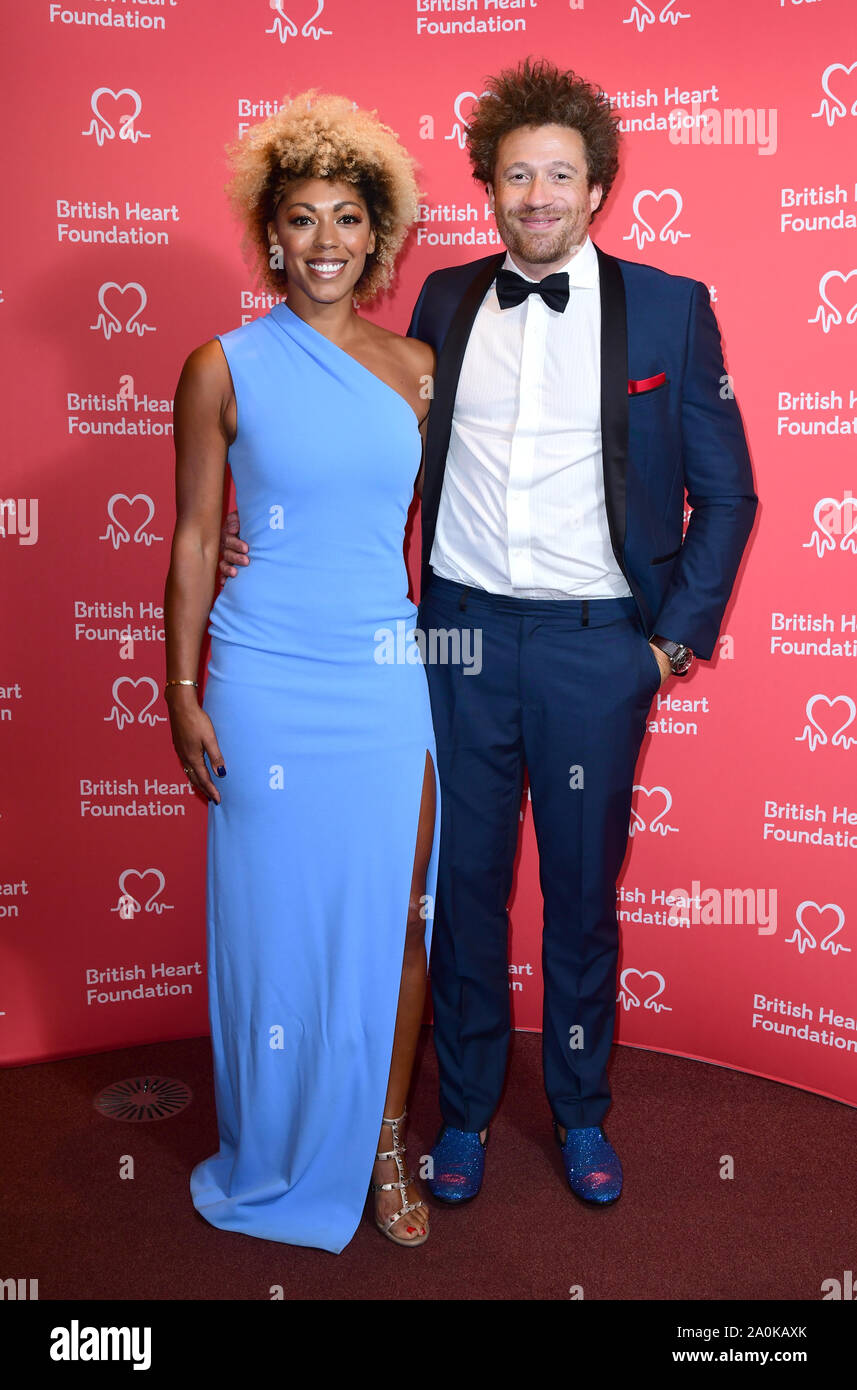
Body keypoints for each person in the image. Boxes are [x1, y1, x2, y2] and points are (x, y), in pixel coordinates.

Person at [219, 58, 757, 1210]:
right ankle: (457, 1111)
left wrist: (664, 646)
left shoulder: (669, 305)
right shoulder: (444, 303)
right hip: (453, 636)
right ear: (488, 185)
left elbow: (726, 493)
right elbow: (359, 456)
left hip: (592, 643)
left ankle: (576, 1111)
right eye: (516, 174)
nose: (537, 194)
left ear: (597, 186)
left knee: (578, 893)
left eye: (559, 173)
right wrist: (251, 532)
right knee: (456, 892)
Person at [164, 90, 440, 1253]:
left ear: (376, 235)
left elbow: (461, 525)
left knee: (394, 921)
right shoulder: (219, 364)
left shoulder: (422, 366)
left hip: (385, 677)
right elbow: (190, 536)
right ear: (269, 235)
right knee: (273, 924)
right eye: (300, 219)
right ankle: (274, 1147)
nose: (323, 241)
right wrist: (179, 690)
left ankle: (382, 1142)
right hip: (265, 676)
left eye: (344, 218)